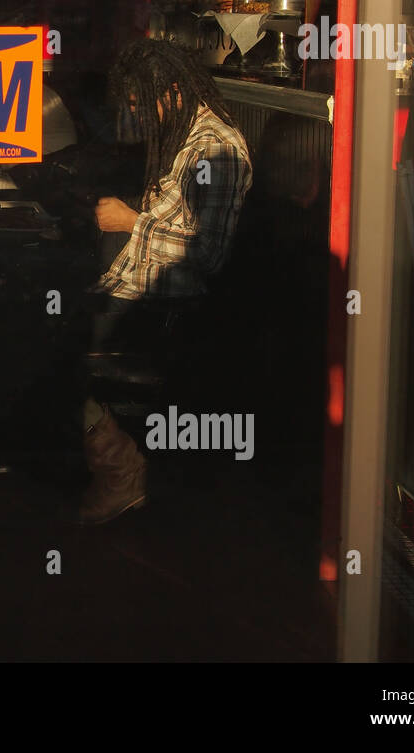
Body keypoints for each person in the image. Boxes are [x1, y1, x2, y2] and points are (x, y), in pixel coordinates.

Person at [76, 38, 253, 525]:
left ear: (172, 91)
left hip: (161, 310)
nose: (137, 114)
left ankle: (120, 471)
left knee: (47, 352)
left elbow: (209, 255)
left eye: (140, 103)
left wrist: (132, 221)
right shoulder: (186, 136)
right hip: (137, 293)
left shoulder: (214, 147)